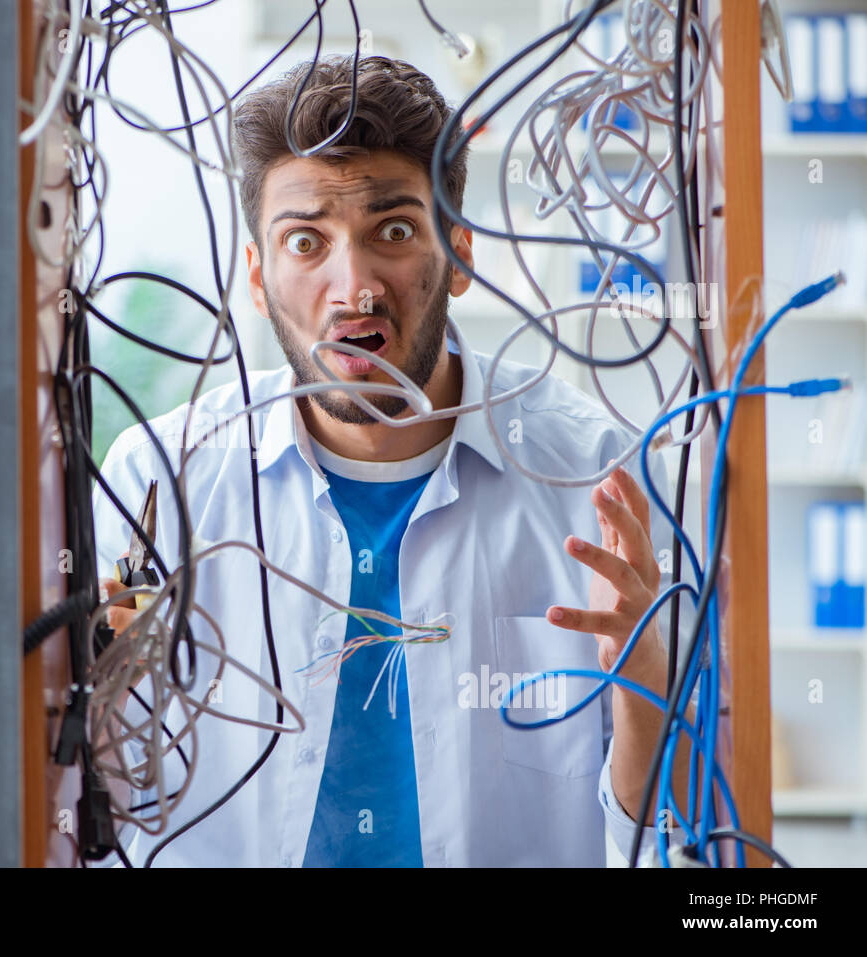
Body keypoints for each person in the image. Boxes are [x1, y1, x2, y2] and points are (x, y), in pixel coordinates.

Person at [92, 54, 692, 867]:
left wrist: (643, 678)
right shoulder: (157, 482)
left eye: (395, 232)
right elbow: (102, 822)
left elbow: (671, 847)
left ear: (462, 254)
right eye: (307, 241)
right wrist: (102, 698)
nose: (355, 286)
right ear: (259, 277)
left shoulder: (596, 475)